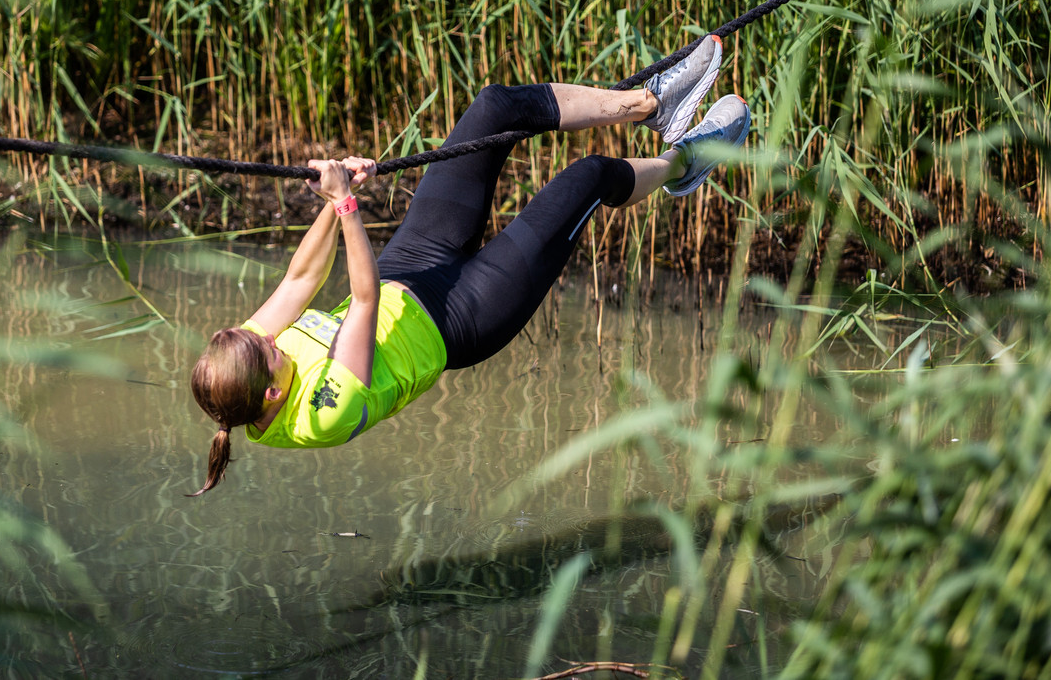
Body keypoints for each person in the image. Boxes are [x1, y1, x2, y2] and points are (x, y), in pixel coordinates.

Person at [187, 35, 750, 496]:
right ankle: (685, 160)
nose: (272, 338)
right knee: (588, 178)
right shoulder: (321, 414)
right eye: (268, 348)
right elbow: (362, 300)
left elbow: (300, 279)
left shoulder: (247, 358)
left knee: (494, 108)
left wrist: (336, 200)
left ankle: (651, 104)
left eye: (258, 336)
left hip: (408, 269)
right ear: (269, 396)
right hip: (464, 318)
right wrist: (347, 207)